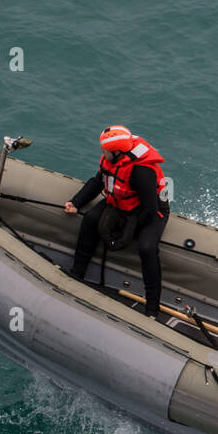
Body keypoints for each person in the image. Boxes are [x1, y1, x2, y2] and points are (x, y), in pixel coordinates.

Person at [64, 125, 169, 316]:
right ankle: (77, 273)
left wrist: (129, 226)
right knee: (90, 220)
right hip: (121, 201)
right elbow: (98, 181)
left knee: (147, 248)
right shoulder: (112, 158)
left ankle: (152, 306)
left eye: (104, 149)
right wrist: (76, 202)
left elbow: (151, 209)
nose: (102, 152)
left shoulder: (141, 171)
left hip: (149, 210)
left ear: (118, 152)